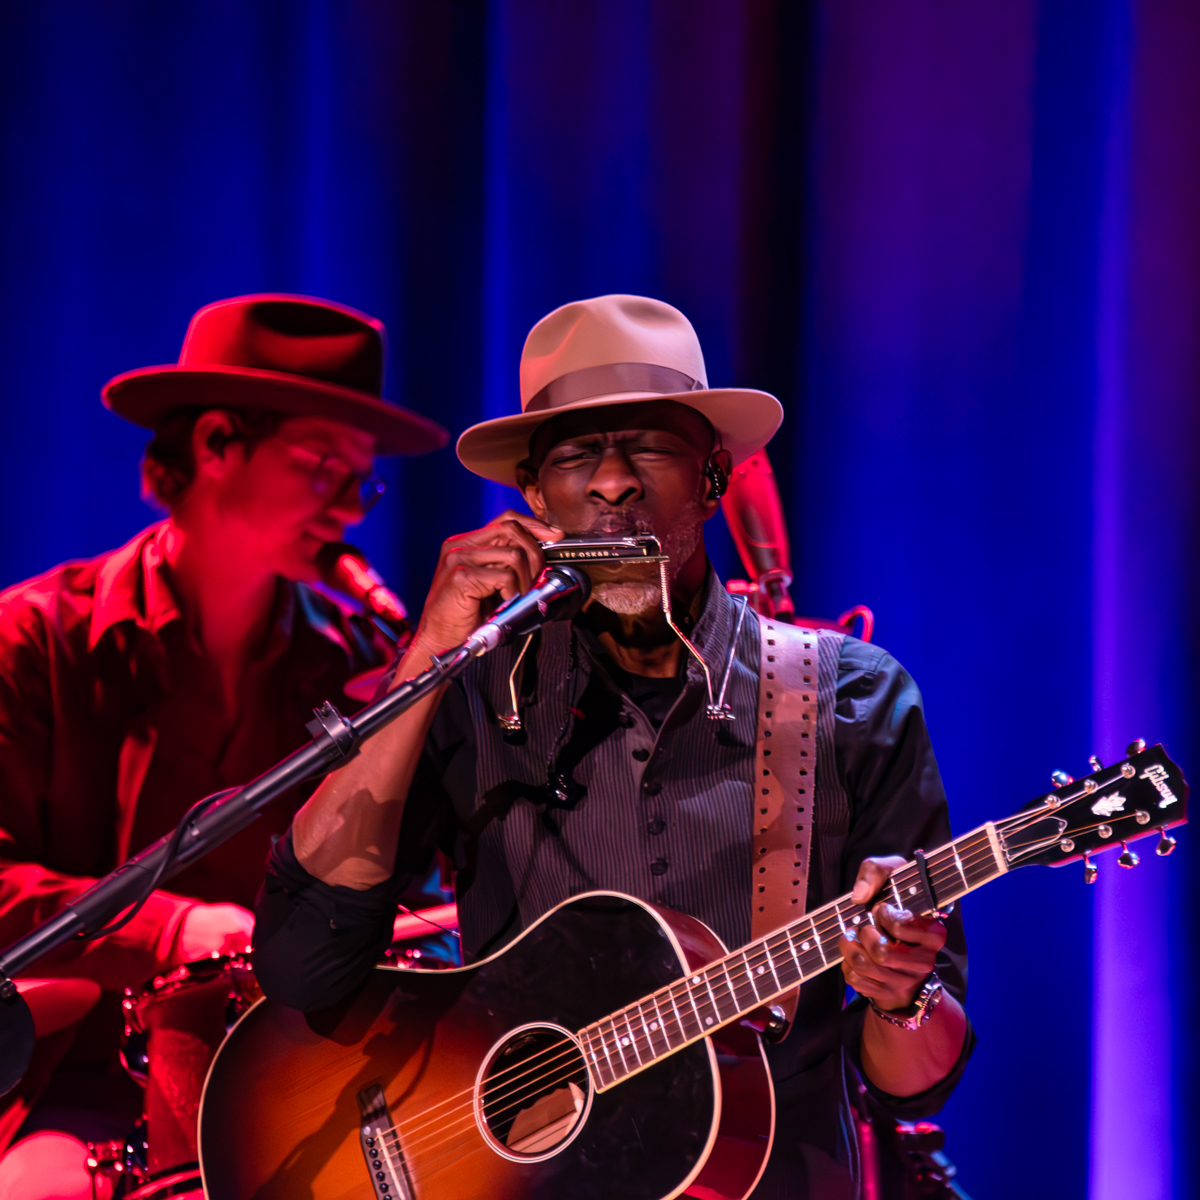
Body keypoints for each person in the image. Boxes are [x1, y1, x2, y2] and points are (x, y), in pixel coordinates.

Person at [253, 294, 973, 1198]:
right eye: (576, 455)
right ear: (534, 496)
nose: (612, 482)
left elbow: (917, 1075)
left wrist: (902, 991)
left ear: (713, 477)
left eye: (650, 448)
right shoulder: (476, 686)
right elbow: (299, 962)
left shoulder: (849, 699)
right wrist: (429, 654)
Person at [0, 294, 448, 1194]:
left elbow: (418, 897)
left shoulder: (364, 662)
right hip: (75, 1082)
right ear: (213, 445)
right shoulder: (34, 639)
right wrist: (172, 929)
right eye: (321, 465)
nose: (349, 509)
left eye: (360, 481)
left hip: (304, 1089)